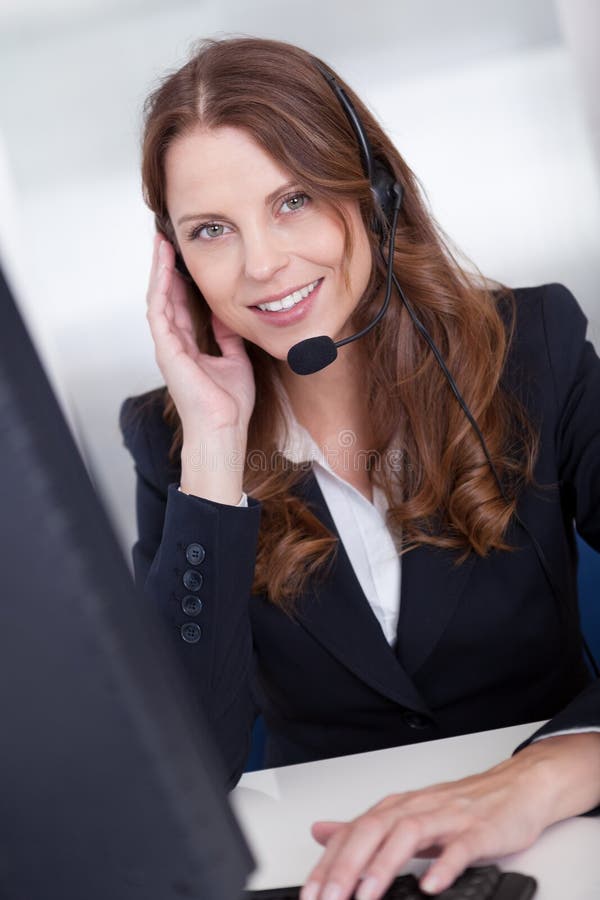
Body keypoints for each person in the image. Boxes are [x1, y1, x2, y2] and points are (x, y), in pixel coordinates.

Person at [119, 36, 600, 900]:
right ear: (178, 262)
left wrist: (544, 778)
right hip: (335, 866)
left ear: (373, 194)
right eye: (212, 230)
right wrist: (218, 447)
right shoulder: (177, 442)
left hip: (557, 842)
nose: (262, 264)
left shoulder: (536, 348)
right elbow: (178, 766)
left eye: (293, 199)